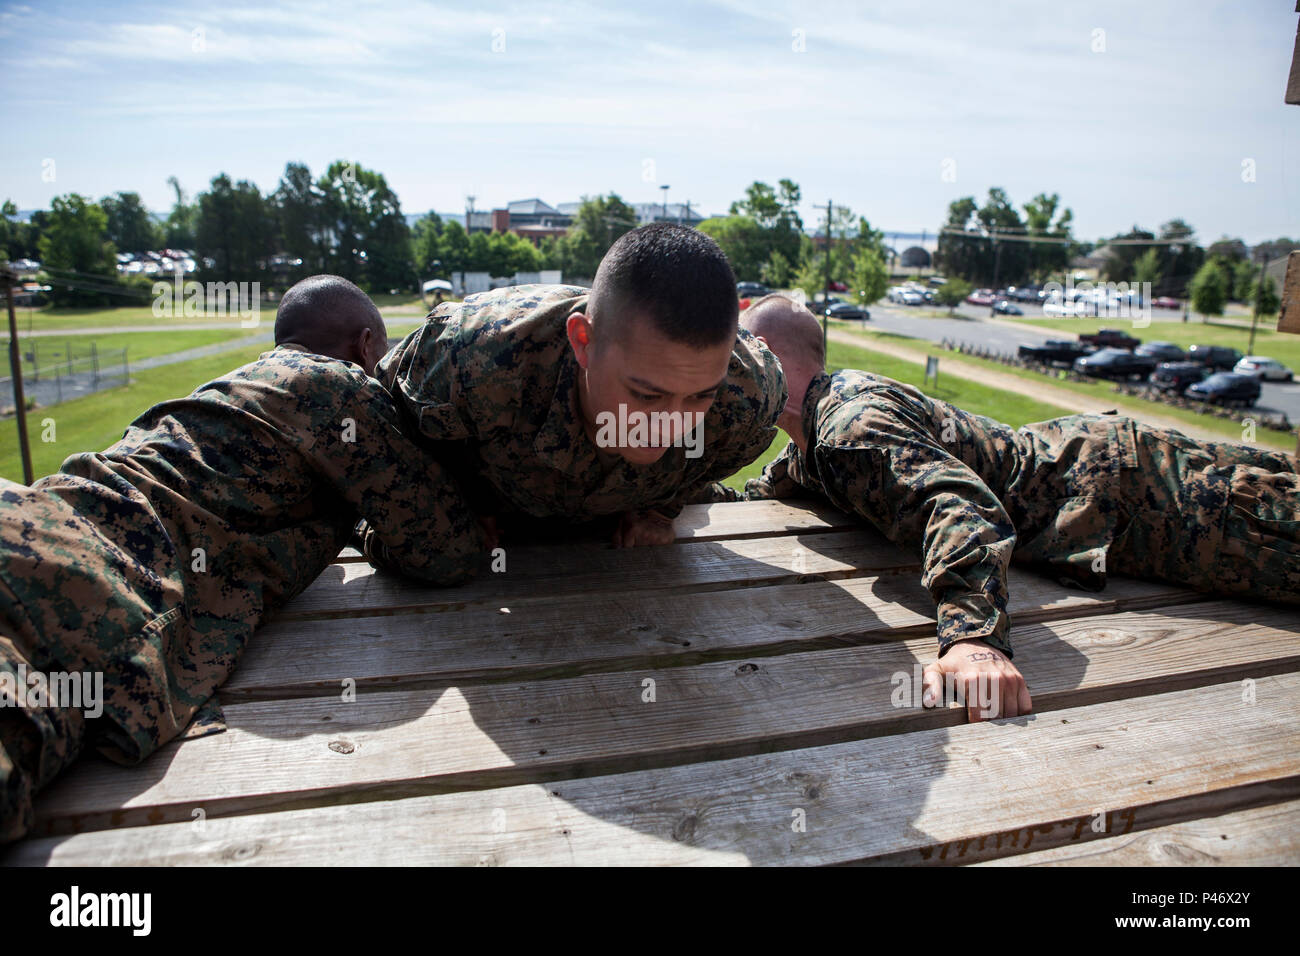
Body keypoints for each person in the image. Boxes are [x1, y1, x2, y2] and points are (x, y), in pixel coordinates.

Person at [0, 275, 485, 842]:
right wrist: (374, 532)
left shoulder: (233, 389)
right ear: (365, 345)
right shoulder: (338, 385)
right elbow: (446, 550)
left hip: (41, 513)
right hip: (95, 573)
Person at [733, 293, 1300, 722]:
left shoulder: (849, 429)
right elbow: (771, 486)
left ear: (767, 358)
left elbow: (962, 506)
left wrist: (972, 639)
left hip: (1136, 496)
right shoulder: (818, 438)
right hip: (1104, 477)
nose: (725, 379)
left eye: (734, 361)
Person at [377, 222, 786, 548]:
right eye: (647, 395)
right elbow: (379, 415)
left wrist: (659, 510)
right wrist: (458, 499)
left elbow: (732, 445)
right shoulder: (474, 354)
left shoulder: (749, 391)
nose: (671, 424)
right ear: (583, 341)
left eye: (700, 396)